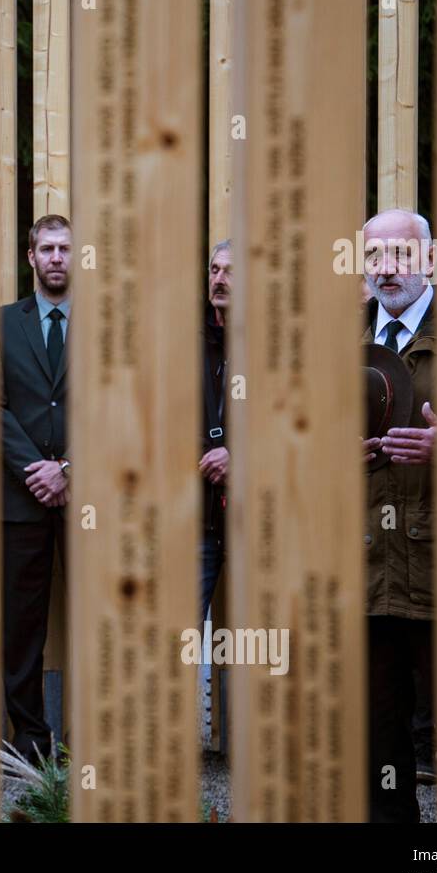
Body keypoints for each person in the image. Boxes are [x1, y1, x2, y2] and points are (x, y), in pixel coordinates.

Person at [359, 208, 437, 822]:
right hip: (369, 571)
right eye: (374, 257)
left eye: (401, 255)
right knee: (380, 751)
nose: (387, 269)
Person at [0, 214, 72, 764]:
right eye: (45, 248)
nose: (55, 258)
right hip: (21, 497)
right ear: (30, 257)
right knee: (22, 626)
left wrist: (68, 467)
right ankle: (29, 739)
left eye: (64, 249)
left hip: (84, 497)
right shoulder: (2, 324)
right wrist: (38, 470)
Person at [199, 240, 232, 624]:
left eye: (230, 271)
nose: (219, 280)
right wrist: (206, 455)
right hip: (196, 520)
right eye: (214, 270)